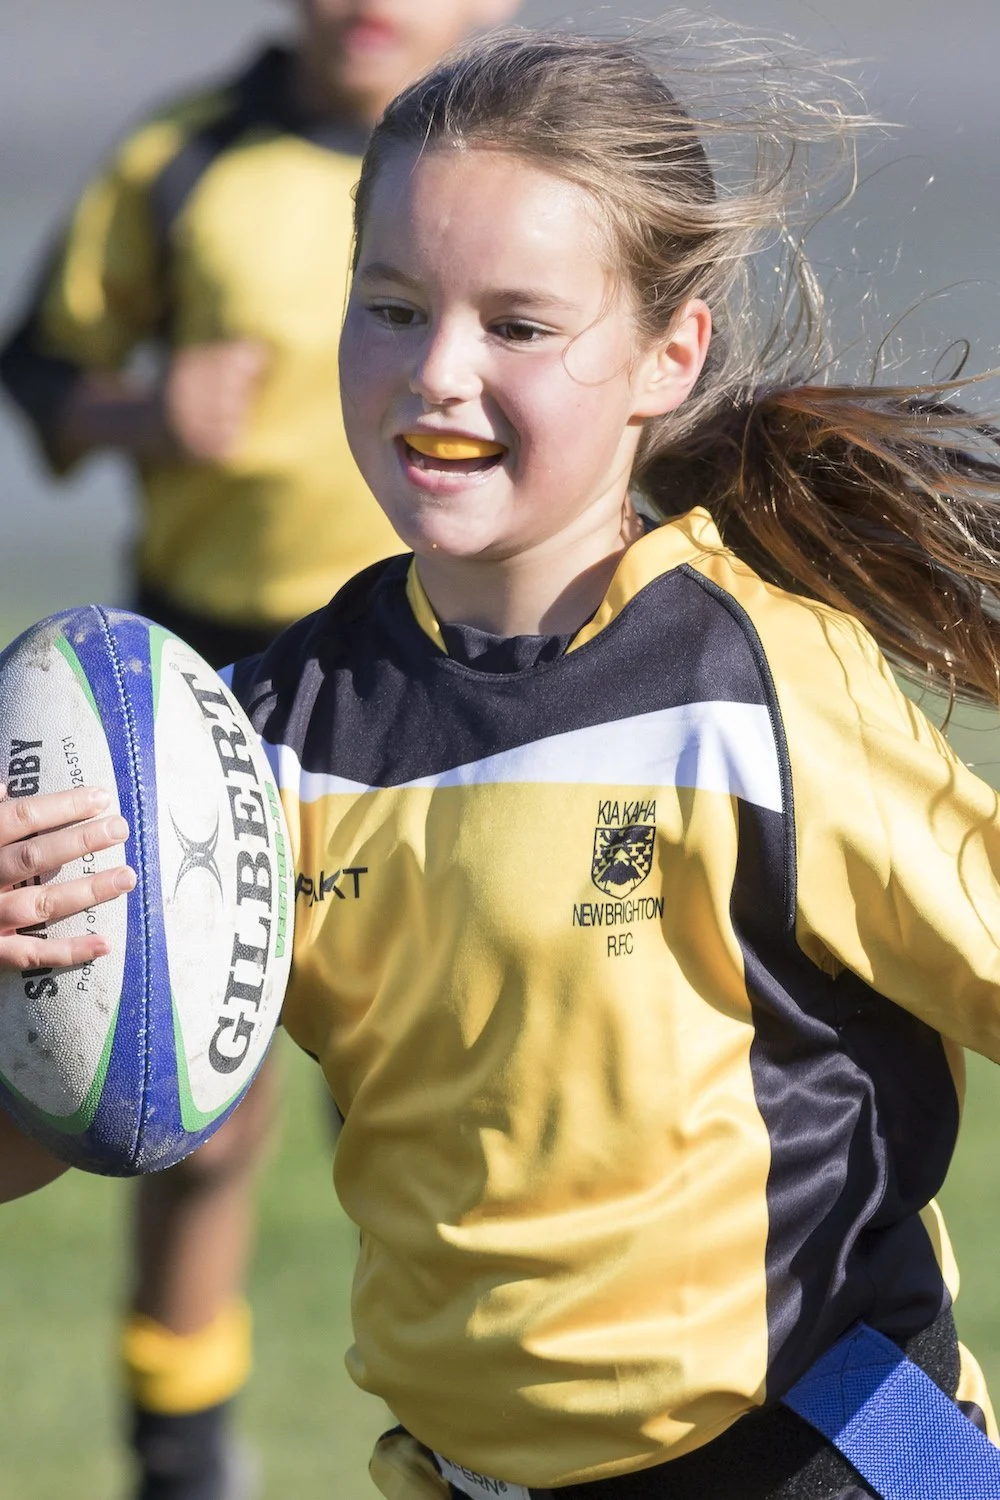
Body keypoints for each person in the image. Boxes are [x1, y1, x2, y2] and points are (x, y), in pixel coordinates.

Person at [5, 19, 1000, 1499]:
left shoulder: (757, 690)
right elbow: (68, 1122)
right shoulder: (266, 741)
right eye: (392, 308)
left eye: (518, 326)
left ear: (672, 351)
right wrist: (28, 978)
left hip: (817, 1463)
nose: (437, 376)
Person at [0, 4, 517, 1498]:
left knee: (443, 1106)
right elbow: (42, 374)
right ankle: (182, 1462)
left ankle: (493, 1441)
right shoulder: (182, 166)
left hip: (425, 691)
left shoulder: (512, 189)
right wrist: (143, 407)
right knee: (183, 1117)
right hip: (198, 691)